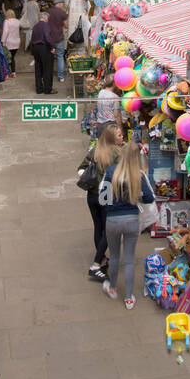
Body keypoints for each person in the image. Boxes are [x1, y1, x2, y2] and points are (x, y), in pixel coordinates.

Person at [101, 141, 154, 310]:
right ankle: (129, 298)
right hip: (131, 220)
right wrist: (136, 195)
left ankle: (113, 287)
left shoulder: (110, 172)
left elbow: (103, 198)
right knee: (129, 260)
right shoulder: (138, 175)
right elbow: (149, 198)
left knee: (115, 256)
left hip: (112, 220)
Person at [81, 121, 123, 283]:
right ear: (112, 138)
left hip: (91, 194)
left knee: (98, 226)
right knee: (108, 229)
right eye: (119, 135)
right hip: (107, 194)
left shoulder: (95, 150)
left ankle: (102, 258)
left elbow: (81, 167)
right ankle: (96, 264)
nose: (122, 137)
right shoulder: (117, 153)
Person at [30, 7, 55, 94]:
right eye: (47, 18)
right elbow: (47, 38)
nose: (48, 20)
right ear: (45, 18)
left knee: (38, 68)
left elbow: (32, 39)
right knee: (47, 68)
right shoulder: (45, 25)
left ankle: (39, 88)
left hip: (36, 48)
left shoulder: (35, 26)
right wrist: (52, 47)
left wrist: (32, 51)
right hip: (44, 47)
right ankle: (48, 89)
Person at [46, 0, 69, 83]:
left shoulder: (48, 12)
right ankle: (61, 76)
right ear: (59, 3)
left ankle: (48, 74)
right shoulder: (62, 13)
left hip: (49, 38)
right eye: (62, 3)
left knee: (49, 57)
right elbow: (66, 25)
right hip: (59, 38)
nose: (63, 5)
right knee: (60, 57)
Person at [1, 5, 21, 76]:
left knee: (6, 58)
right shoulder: (17, 21)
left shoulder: (7, 21)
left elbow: (5, 32)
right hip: (16, 42)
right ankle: (13, 72)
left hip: (9, 42)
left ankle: (6, 73)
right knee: (12, 57)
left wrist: (3, 41)